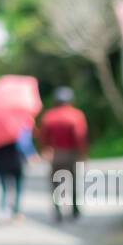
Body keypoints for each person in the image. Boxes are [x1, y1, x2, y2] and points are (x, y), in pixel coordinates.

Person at [38, 87, 88, 221]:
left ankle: (57, 209)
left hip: (55, 154)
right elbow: (79, 136)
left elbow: (43, 137)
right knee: (73, 181)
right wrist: (82, 153)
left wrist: (45, 150)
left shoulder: (49, 116)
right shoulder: (76, 115)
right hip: (71, 153)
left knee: (55, 183)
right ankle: (75, 208)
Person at [0, 127, 30, 223]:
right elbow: (25, 149)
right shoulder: (19, 134)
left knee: (4, 189)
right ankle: (16, 211)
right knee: (18, 189)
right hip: (17, 165)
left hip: (2, 166)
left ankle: (2, 211)